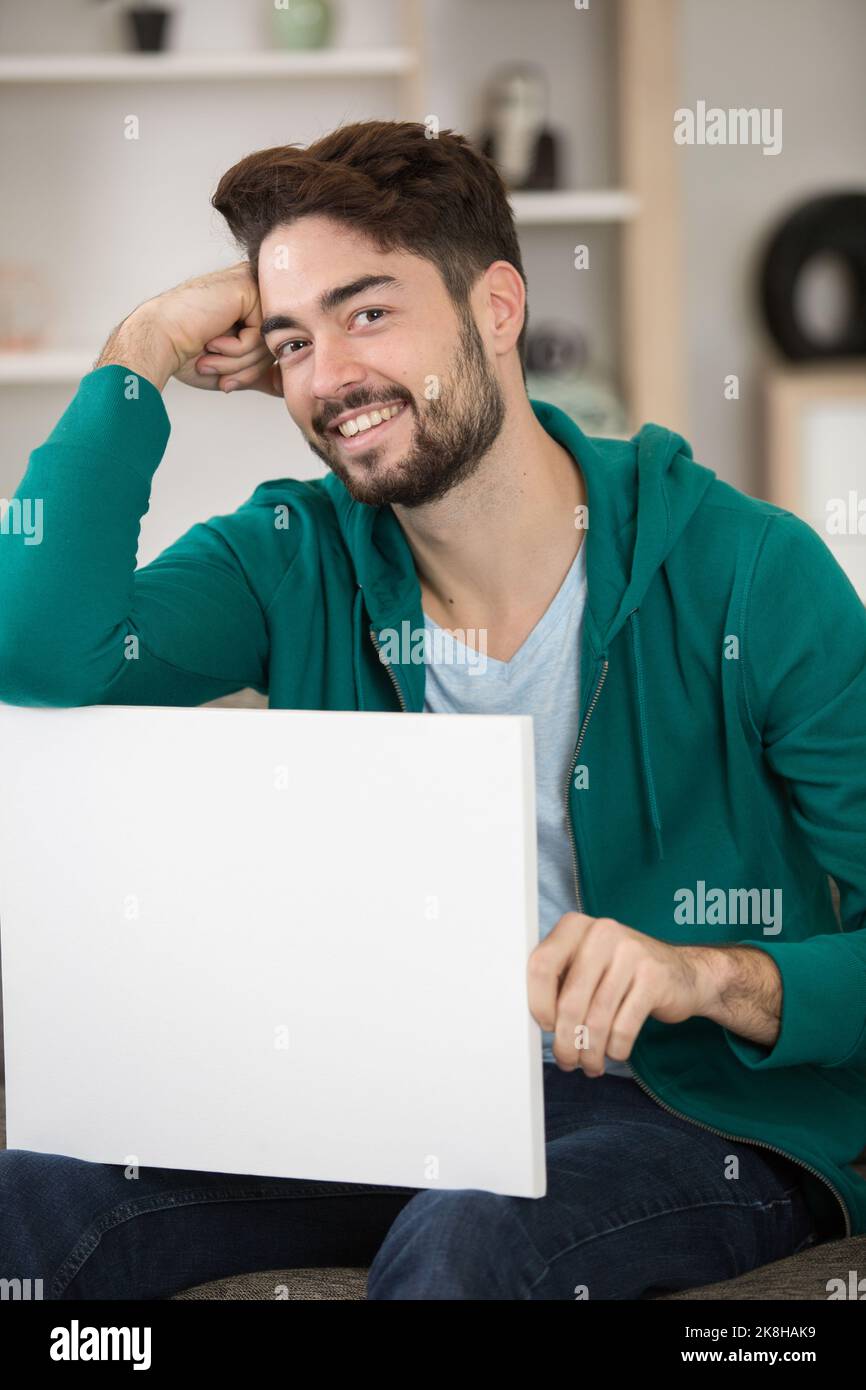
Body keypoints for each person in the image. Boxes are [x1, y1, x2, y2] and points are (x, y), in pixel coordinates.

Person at [0, 120, 864, 1301]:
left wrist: (699, 975)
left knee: (470, 1241)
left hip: (683, 1106)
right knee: (34, 1193)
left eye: (367, 314)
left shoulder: (749, 572)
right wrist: (138, 350)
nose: (327, 379)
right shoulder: (287, 555)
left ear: (496, 308)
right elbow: (36, 655)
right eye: (292, 339)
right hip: (387, 1095)